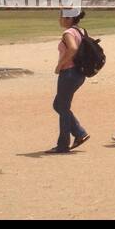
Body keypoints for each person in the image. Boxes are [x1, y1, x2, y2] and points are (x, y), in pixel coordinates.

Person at [50, 8, 89, 154]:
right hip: (79, 73)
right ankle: (79, 133)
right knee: (58, 105)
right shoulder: (81, 31)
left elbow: (72, 49)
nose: (60, 20)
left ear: (69, 19)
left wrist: (60, 64)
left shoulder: (68, 33)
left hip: (69, 73)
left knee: (63, 107)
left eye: (61, 17)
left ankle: (63, 145)